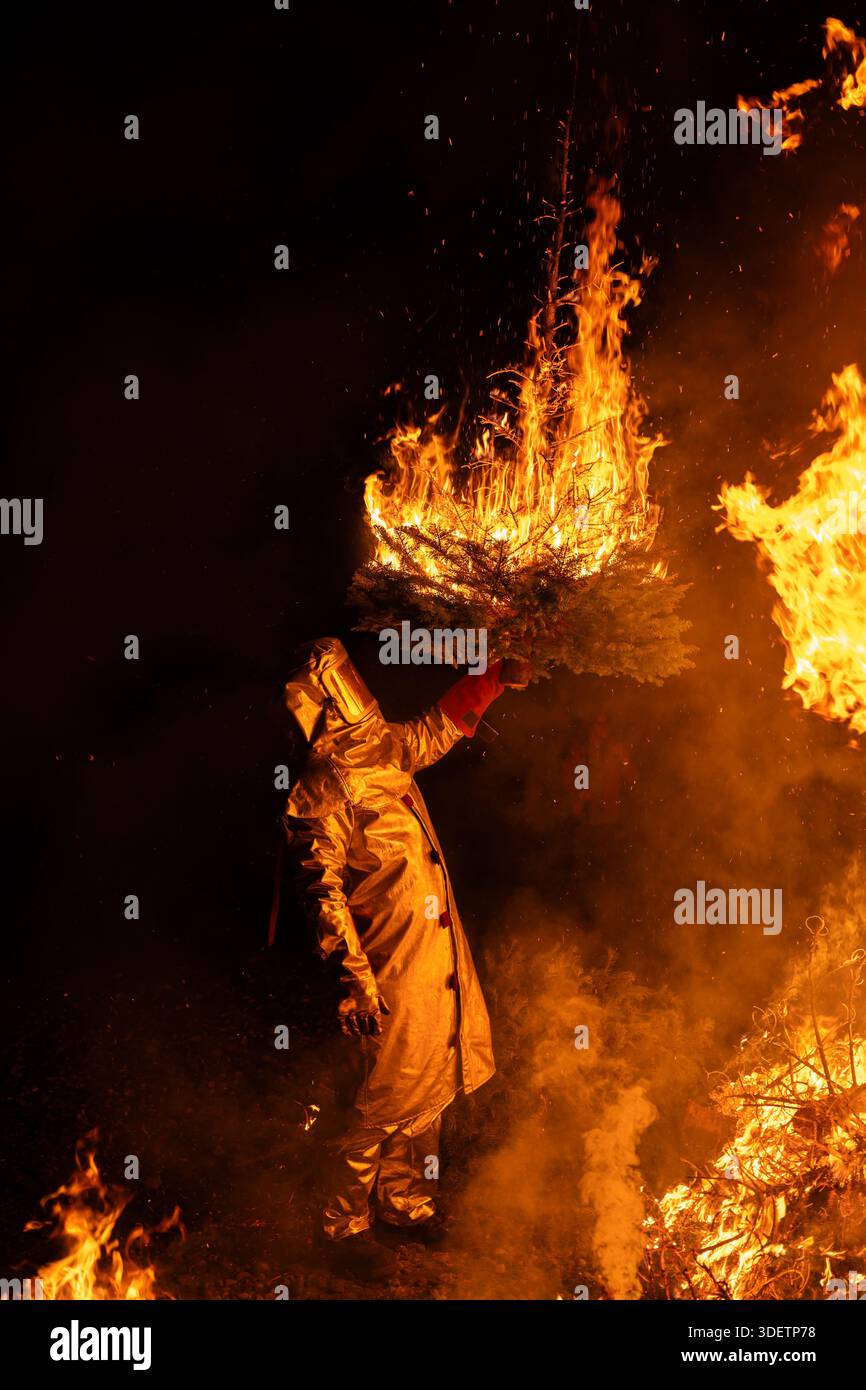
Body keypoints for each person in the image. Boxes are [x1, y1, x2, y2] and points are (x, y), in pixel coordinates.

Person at [278, 636, 526, 1279]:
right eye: (345, 686)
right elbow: (320, 887)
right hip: (387, 957)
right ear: (324, 701)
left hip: (435, 944)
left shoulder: (383, 748)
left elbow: (438, 729)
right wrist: (354, 978)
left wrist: (494, 676)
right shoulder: (322, 784)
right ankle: (340, 1226)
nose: (360, 697)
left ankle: (405, 1205)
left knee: (434, 1081)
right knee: (382, 1095)